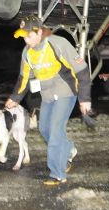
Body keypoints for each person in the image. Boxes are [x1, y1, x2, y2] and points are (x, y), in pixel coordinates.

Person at [5, 15, 91, 186]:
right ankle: (69, 150)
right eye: (23, 37)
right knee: (44, 129)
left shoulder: (58, 44)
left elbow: (82, 71)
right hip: (47, 95)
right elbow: (24, 78)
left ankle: (57, 173)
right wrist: (14, 98)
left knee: (55, 131)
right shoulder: (27, 53)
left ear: (39, 32)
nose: (26, 40)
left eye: (29, 36)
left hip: (66, 91)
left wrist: (85, 99)